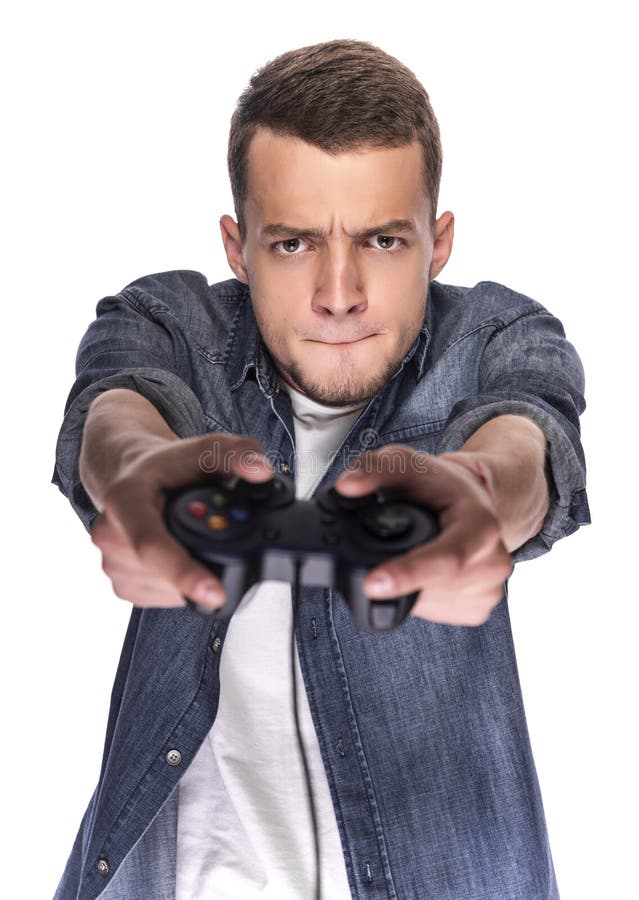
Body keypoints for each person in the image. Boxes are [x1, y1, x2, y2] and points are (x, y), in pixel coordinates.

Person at [51, 38, 591, 900]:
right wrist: (137, 473)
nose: (339, 294)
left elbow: (529, 432)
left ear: (437, 243)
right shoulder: (174, 322)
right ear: (237, 248)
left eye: (381, 239)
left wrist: (477, 496)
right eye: (295, 244)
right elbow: (116, 403)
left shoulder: (494, 336)